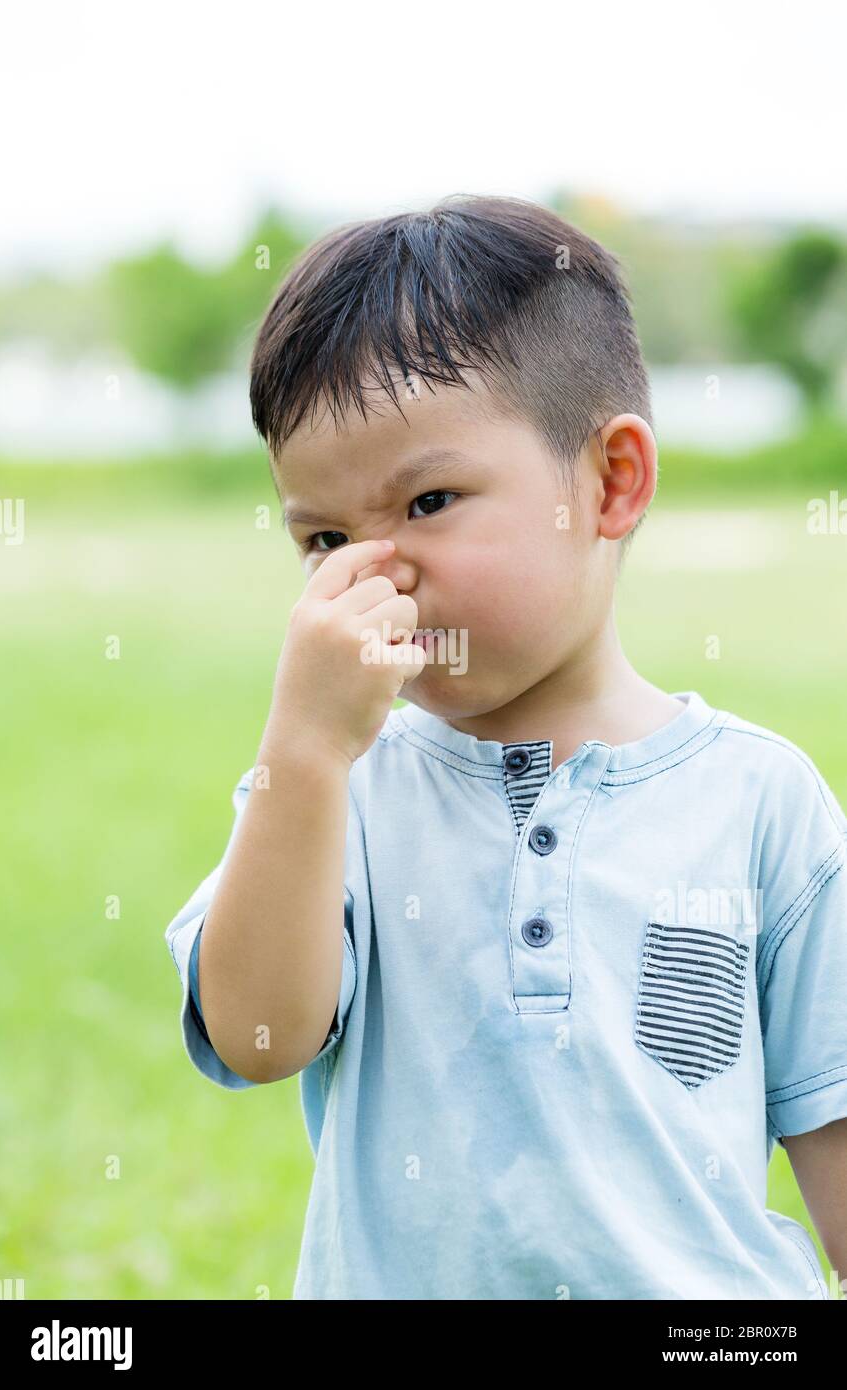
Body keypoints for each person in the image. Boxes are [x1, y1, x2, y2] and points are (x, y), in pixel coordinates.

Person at [164, 194, 847, 1299]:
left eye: (428, 500)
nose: (373, 577)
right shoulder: (336, 793)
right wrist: (301, 753)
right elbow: (255, 1034)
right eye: (324, 539)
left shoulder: (761, 801)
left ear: (609, 483)